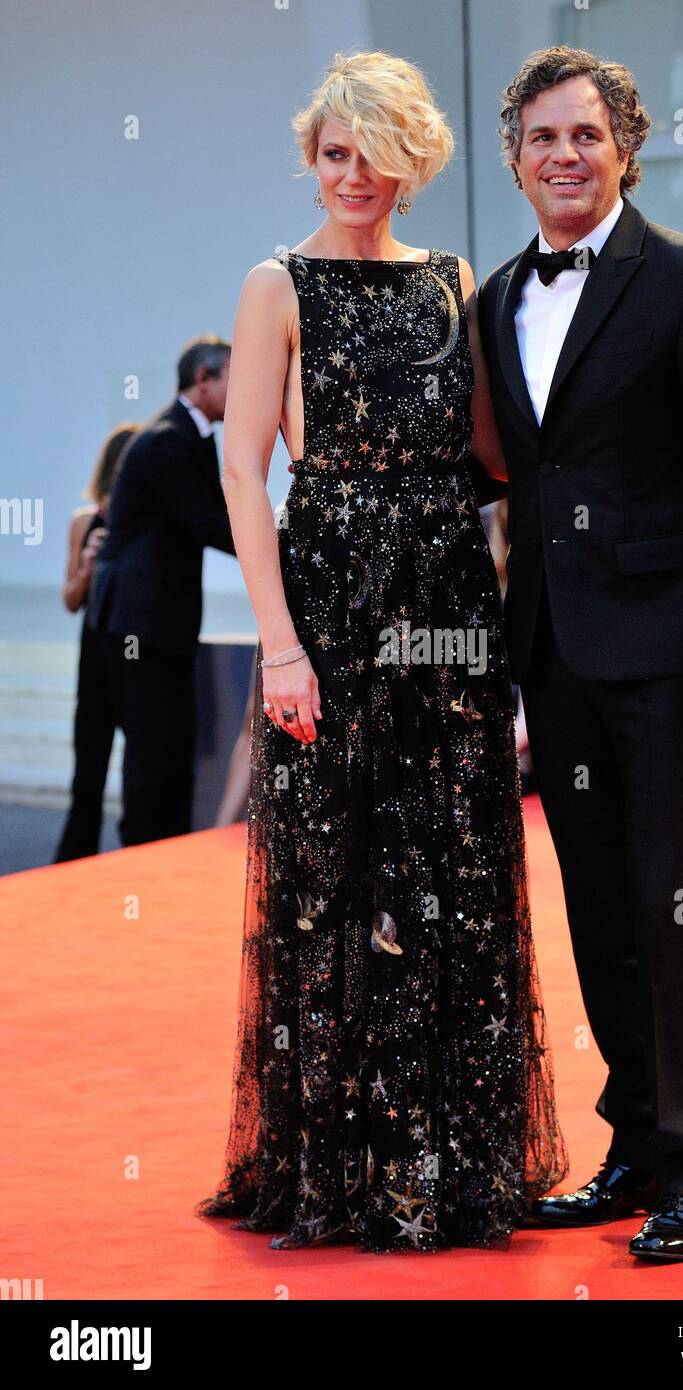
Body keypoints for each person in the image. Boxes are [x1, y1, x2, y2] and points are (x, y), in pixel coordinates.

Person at [195, 50, 568, 1254]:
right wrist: (280, 647)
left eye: (375, 152)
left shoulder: (452, 279)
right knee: (336, 881)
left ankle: (455, 1167)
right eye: (332, 151)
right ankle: (344, 1170)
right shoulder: (277, 283)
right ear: (311, 156)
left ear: (414, 159)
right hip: (333, 610)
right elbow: (241, 472)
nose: (352, 175)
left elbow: (490, 461)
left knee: (454, 871)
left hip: (448, 600)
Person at [475, 46, 683, 1261]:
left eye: (584, 136)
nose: (563, 155)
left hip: (671, 655)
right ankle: (632, 1142)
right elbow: (512, 471)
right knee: (601, 910)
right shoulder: (499, 294)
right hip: (553, 651)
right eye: (542, 138)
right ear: (513, 158)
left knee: (676, 910)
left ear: (624, 150)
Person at [86, 337, 235, 845]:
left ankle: (160, 858)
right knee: (152, 754)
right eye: (231, 379)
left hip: (154, 625)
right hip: (139, 626)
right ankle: (142, 864)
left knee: (167, 750)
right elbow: (212, 523)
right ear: (203, 380)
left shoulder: (187, 437)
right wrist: (293, 547)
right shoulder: (167, 440)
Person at [54, 423, 138, 861]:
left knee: (137, 763)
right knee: (89, 760)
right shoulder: (84, 521)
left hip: (136, 647)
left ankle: (131, 854)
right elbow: (70, 600)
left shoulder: (146, 519)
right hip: (95, 649)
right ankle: (73, 857)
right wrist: (88, 564)